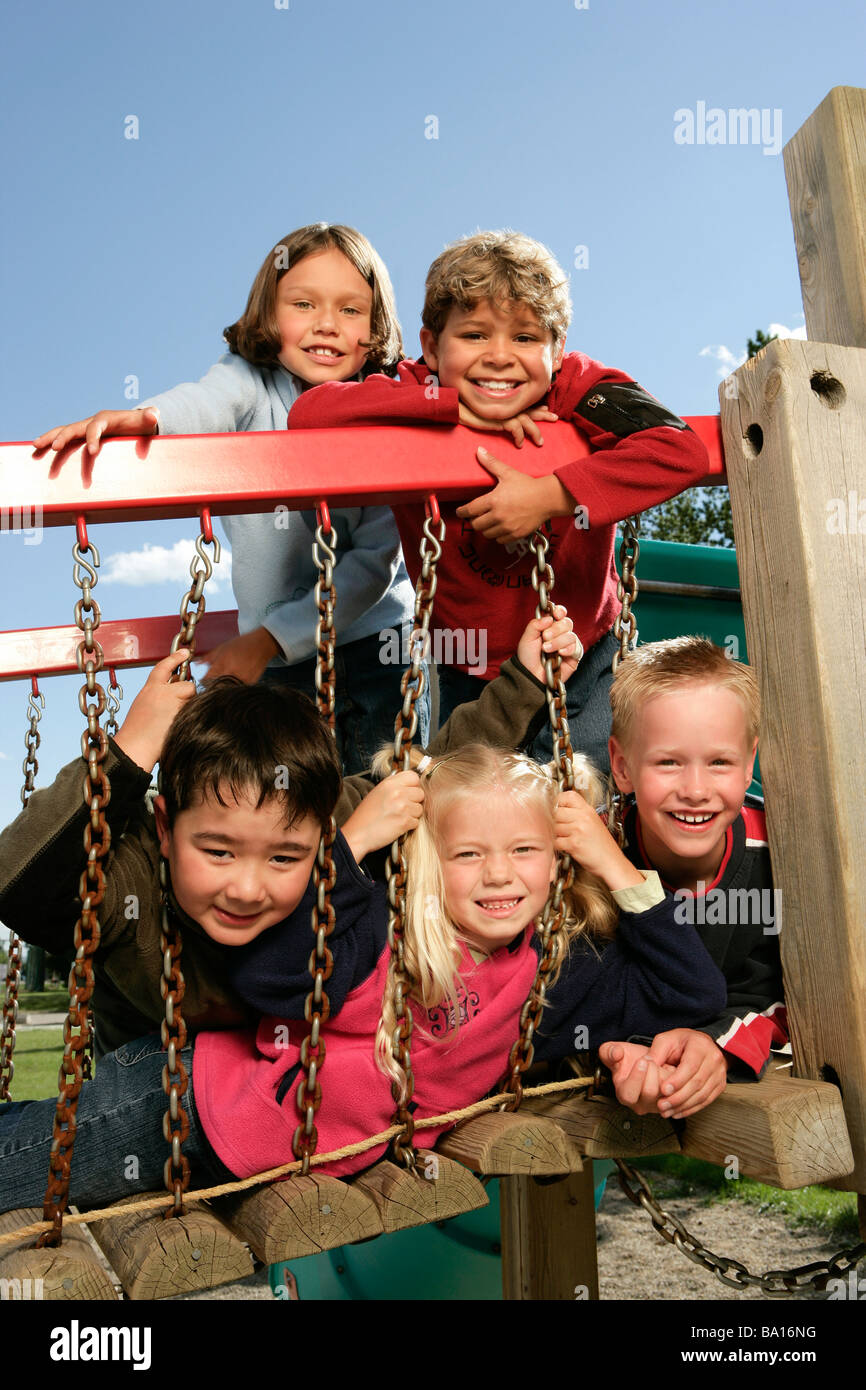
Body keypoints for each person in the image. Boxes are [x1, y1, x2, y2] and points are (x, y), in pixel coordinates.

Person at [0, 726, 727, 1212]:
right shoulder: (384, 928)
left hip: (245, 1146)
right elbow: (271, 979)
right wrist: (349, 844)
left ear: (557, 859)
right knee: (18, 1165)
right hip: (191, 1108)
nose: (499, 876)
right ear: (427, 863)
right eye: (468, 854)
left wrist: (613, 862)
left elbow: (693, 994)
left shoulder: (552, 978)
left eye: (526, 852)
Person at [0, 613, 577, 1059]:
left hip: (275, 1100)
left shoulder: (328, 815)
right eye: (218, 851)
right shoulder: (131, 875)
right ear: (165, 827)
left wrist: (525, 679)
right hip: (155, 1095)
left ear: (322, 828)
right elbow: (15, 884)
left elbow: (444, 770)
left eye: (284, 857)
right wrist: (129, 753)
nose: (247, 888)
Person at [285, 229, 712, 772]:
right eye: (474, 335)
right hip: (468, 661)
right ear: (432, 346)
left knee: (584, 798)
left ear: (557, 351)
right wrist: (449, 409)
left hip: (577, 646)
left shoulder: (578, 387)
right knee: (470, 803)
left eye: (527, 338)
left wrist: (548, 495)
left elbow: (680, 449)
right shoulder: (412, 389)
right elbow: (310, 414)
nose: (500, 358)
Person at [33, 223, 425, 774]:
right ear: (269, 313)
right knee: (281, 801)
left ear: (376, 324)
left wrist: (267, 639)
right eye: (304, 303)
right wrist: (146, 418)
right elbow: (203, 403)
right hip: (272, 657)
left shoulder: (381, 411)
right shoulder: (250, 382)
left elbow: (373, 566)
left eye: (351, 310)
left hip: (373, 648)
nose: (327, 325)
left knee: (379, 796)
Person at [597, 636, 789, 1121]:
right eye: (668, 762)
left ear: (749, 766)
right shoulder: (596, 853)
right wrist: (626, 1051)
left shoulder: (781, 858)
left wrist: (715, 1045)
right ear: (622, 767)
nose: (696, 790)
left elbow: (783, 996)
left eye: (719, 762)